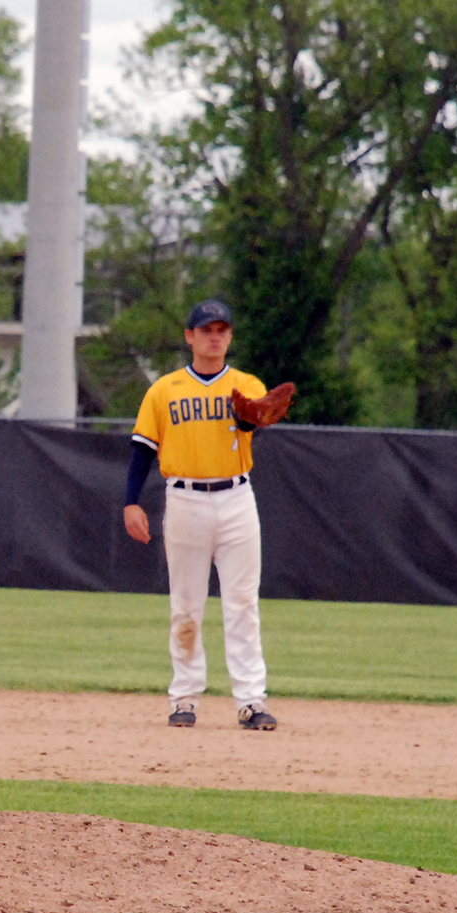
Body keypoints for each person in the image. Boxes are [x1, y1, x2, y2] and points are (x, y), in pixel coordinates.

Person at [122, 298, 282, 731]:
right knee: (186, 605)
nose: (215, 336)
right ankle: (184, 698)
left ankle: (251, 700)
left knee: (243, 603)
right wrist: (131, 500)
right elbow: (142, 449)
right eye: (206, 329)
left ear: (229, 336)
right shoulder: (165, 389)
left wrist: (251, 420)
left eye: (222, 330)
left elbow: (251, 423)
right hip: (185, 500)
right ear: (190, 336)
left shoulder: (246, 383)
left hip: (236, 498)